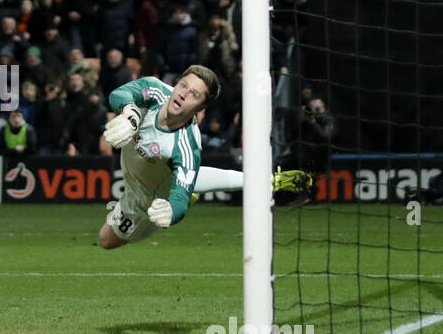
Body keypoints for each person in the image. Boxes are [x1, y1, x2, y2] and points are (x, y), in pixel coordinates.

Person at [99, 66, 311, 248]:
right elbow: (119, 94)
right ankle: (265, 180)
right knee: (187, 177)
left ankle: (260, 182)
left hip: (145, 199)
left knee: (106, 240)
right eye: (183, 85)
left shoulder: (186, 148)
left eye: (193, 94)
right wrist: (130, 112)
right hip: (149, 175)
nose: (182, 94)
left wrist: (171, 212)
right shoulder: (155, 90)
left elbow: (179, 201)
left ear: (201, 108)